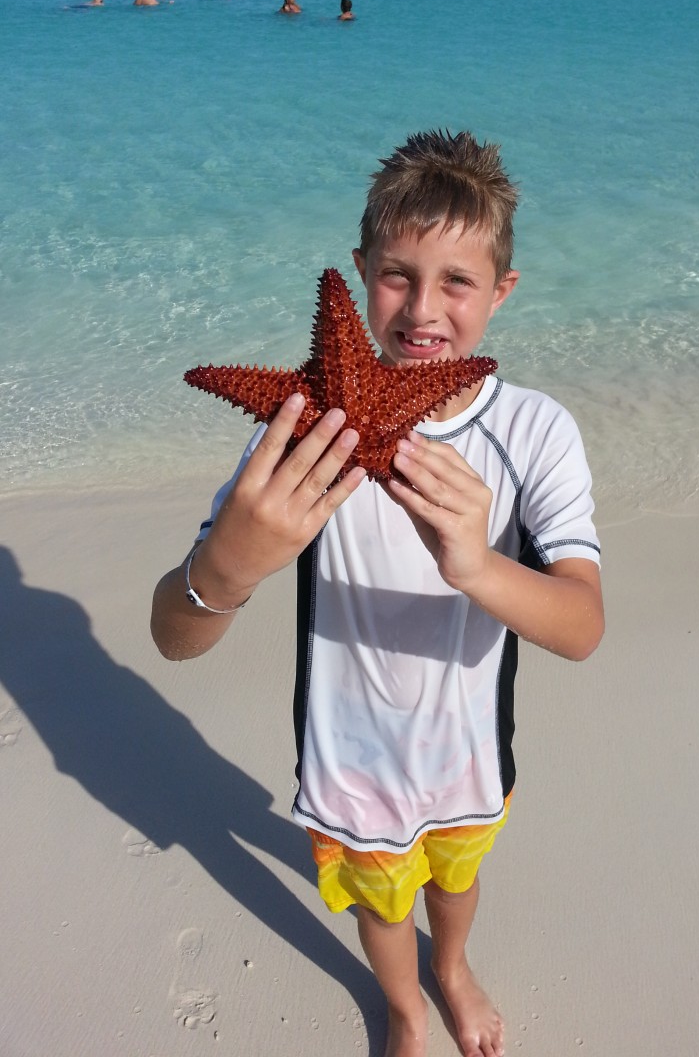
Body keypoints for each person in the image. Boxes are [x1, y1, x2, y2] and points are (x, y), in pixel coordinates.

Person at [150, 129, 605, 1057]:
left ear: (502, 291)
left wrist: (476, 564)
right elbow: (172, 636)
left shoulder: (532, 431)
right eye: (397, 275)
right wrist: (230, 566)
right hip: (349, 765)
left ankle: (454, 967)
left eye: (458, 281)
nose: (423, 309)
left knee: (457, 880)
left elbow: (583, 626)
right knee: (379, 903)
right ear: (358, 275)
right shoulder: (300, 436)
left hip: (469, 753)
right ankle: (405, 1005)